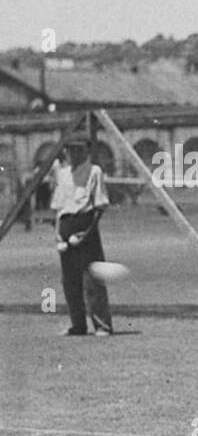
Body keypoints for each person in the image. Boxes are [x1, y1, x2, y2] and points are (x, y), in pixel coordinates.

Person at [54, 144, 113, 336]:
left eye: (78, 150)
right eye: (71, 150)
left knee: (92, 280)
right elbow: (59, 209)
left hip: (84, 226)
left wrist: (86, 233)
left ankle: (102, 325)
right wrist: (57, 234)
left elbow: (99, 208)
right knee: (70, 282)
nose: (74, 154)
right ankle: (78, 325)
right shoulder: (62, 174)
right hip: (65, 229)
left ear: (86, 152)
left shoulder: (94, 171)